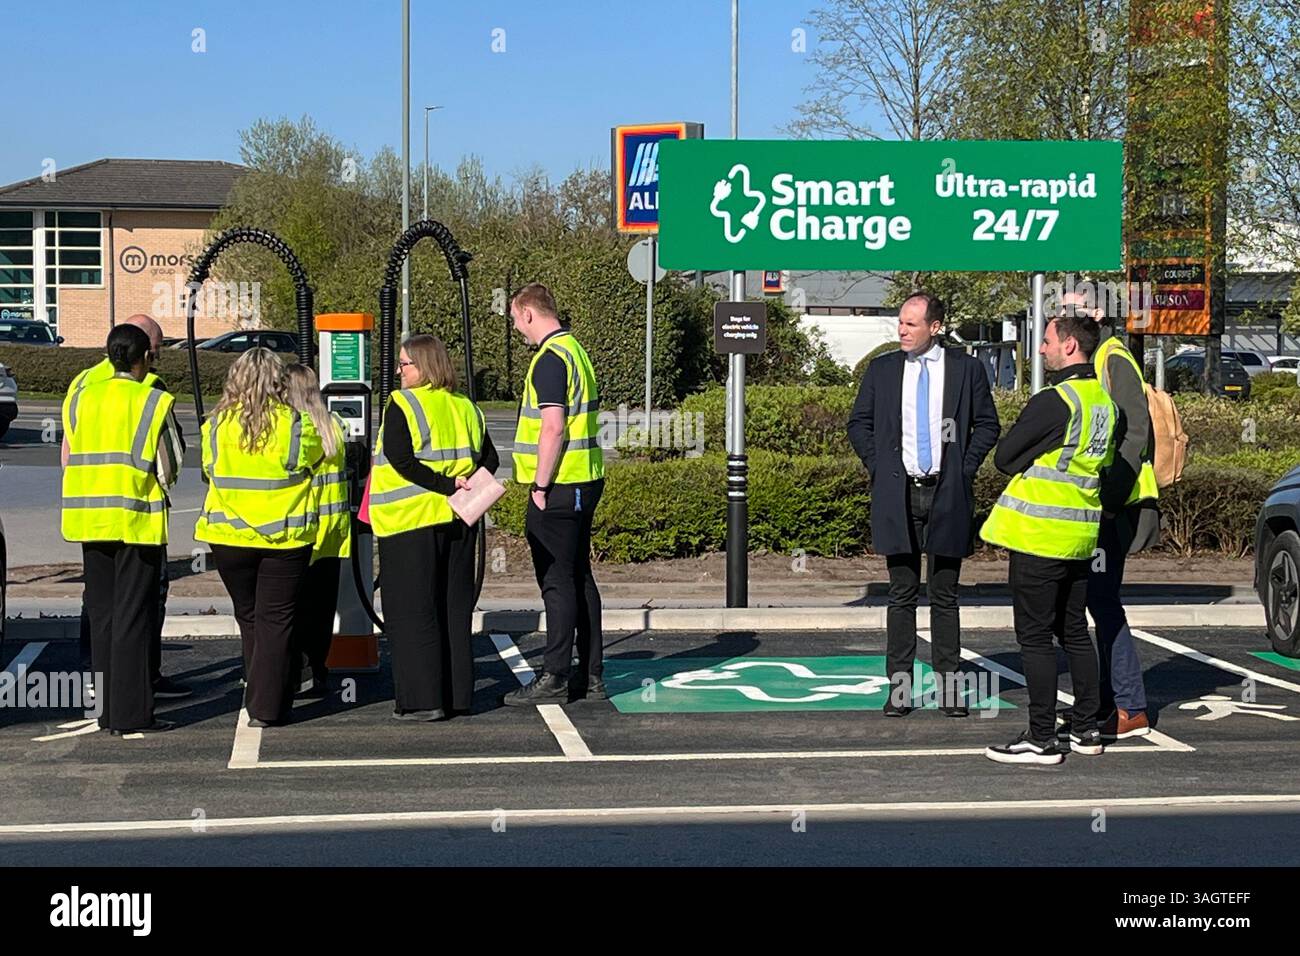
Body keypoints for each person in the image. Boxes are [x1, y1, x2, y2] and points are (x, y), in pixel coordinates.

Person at [846, 293, 1001, 716]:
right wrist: (880, 467)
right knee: (900, 596)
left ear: (935, 327)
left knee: (945, 596)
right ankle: (899, 692)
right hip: (898, 493)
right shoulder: (883, 370)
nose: (902, 330)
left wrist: (964, 469)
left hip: (947, 493)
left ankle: (951, 691)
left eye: (911, 324)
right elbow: (859, 423)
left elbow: (988, 424)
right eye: (900, 322)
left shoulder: (966, 369)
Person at [981, 312, 1120, 765]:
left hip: (1040, 533)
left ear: (1070, 347)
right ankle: (1086, 729)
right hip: (1081, 534)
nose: (1041, 349)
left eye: (1046, 342)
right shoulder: (1103, 401)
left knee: (1036, 637)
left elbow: (1005, 458)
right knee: (1075, 630)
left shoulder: (1055, 400)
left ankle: (1041, 738)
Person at [61, 324, 182, 735]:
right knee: (134, 616)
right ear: (145, 357)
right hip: (135, 521)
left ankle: (106, 710)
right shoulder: (153, 401)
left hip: (88, 519)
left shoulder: (81, 397)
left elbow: (74, 448)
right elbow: (170, 465)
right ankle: (131, 714)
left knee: (104, 616)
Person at [369, 334, 497, 720]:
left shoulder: (403, 404)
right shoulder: (466, 406)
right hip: (460, 521)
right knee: (453, 609)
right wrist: (464, 489)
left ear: (423, 366)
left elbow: (400, 459)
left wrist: (443, 486)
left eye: (404, 363)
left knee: (413, 613)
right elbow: (488, 458)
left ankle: (424, 701)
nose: (398, 371)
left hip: (411, 522)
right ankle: (458, 696)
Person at [195, 348, 322, 727]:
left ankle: (259, 690)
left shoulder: (216, 425)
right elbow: (312, 458)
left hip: (228, 536)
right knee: (276, 619)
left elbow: (208, 469)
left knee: (249, 617)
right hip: (284, 537)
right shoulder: (296, 423)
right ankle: (268, 705)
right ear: (278, 382)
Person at [502, 283, 605, 706]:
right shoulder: (575, 350)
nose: (516, 328)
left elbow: (553, 427)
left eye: (514, 319)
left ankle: (556, 676)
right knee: (579, 576)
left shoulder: (549, 360)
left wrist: (540, 486)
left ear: (529, 313)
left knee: (557, 581)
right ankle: (592, 676)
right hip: (585, 480)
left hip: (560, 486)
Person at [1062, 295, 1159, 741]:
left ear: (1098, 315)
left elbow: (1135, 431)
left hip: (1112, 506)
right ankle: (1108, 702)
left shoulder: (1112, 357)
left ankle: (1129, 706)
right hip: (1098, 503)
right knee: (1094, 602)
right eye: (1062, 308)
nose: (1067, 315)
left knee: (1102, 602)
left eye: (1076, 308)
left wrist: (1111, 498)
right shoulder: (1098, 356)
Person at [285, 364, 351, 698]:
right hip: (334, 533)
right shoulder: (335, 425)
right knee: (322, 611)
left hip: (303, 531)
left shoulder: (299, 431)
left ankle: (299, 672)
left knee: (293, 609)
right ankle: (319, 672)